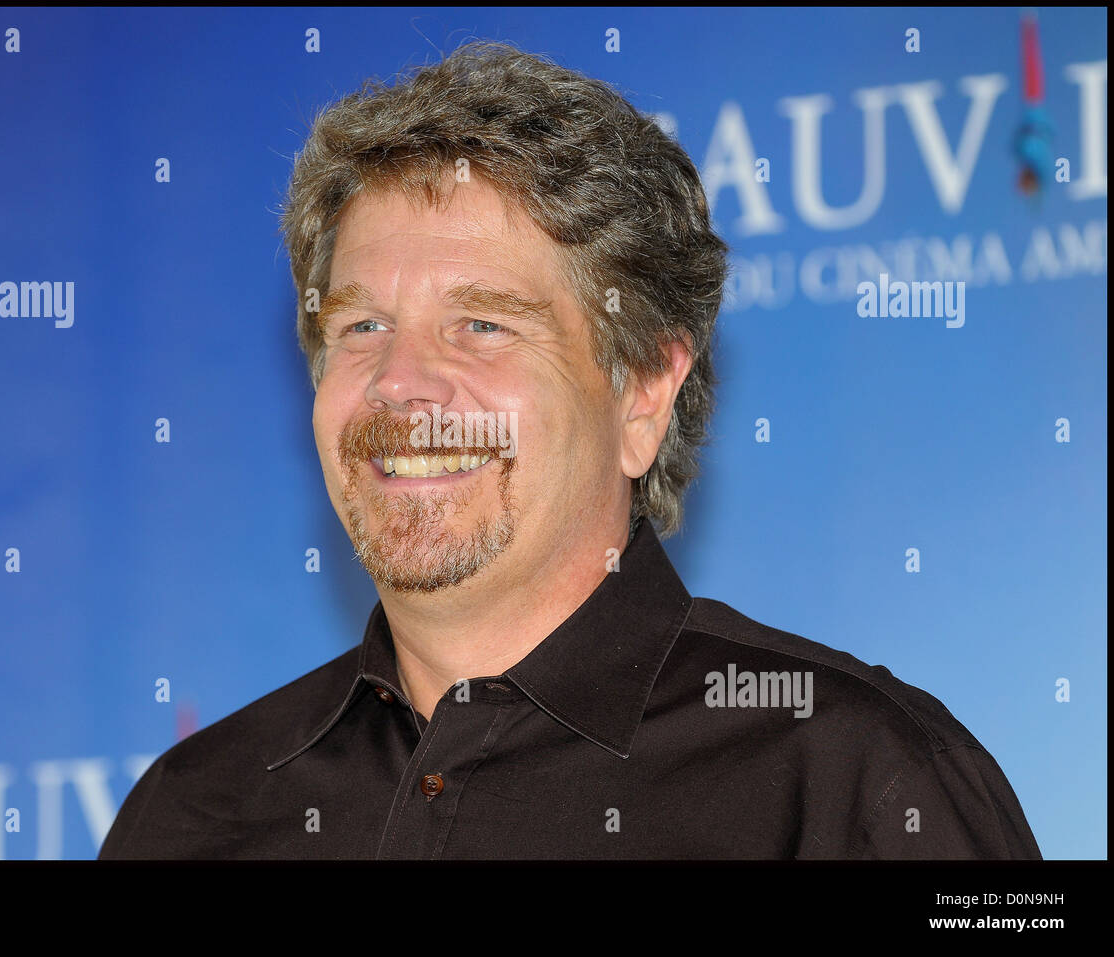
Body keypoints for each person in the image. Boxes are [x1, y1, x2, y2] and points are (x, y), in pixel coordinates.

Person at [98, 42, 1041, 860]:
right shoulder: (189, 814)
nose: (401, 382)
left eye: (481, 324)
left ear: (642, 392)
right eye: (364, 325)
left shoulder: (857, 787)